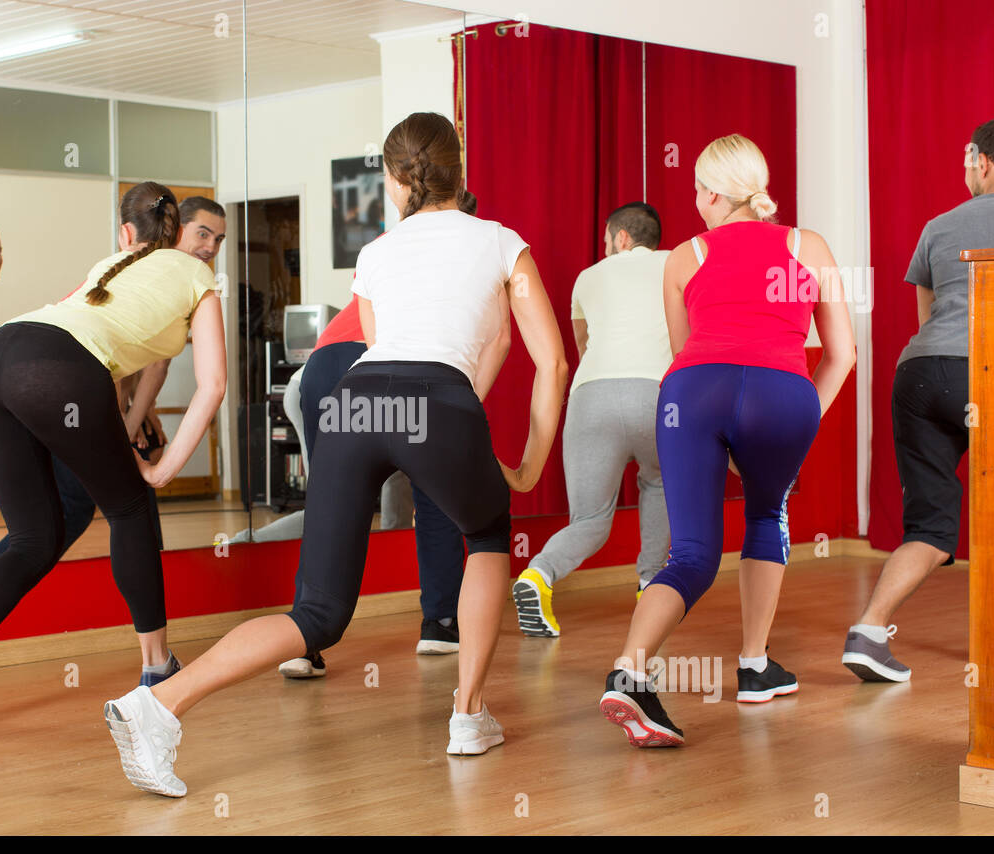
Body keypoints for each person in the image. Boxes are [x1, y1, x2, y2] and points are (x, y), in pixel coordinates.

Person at [102, 112, 567, 797]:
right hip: (437, 399)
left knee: (318, 614)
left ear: (394, 181)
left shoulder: (378, 253)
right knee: (489, 534)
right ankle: (467, 716)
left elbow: (379, 348)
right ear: (458, 171)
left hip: (354, 401)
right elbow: (552, 362)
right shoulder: (503, 244)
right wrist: (523, 466)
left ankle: (161, 703)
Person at [0, 183, 225, 732]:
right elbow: (213, 384)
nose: (210, 248)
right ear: (175, 235)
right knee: (129, 507)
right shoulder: (198, 276)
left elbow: (86, 338)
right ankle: (156, 672)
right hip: (58, 369)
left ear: (126, 233)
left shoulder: (109, 265)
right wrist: (162, 468)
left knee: (34, 536)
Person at [598, 134, 855, 746]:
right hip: (782, 392)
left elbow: (686, 353)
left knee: (691, 554)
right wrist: (800, 420)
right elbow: (842, 354)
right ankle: (755, 665)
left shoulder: (683, 257)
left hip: (692, 394)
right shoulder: (807, 244)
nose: (696, 203)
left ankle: (629, 671)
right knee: (768, 511)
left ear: (714, 193)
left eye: (697, 191)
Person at [271, 189, 509, 678]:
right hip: (390, 371)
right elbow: (497, 340)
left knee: (330, 512)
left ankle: (305, 640)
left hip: (326, 371)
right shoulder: (471, 250)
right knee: (438, 500)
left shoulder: (393, 242)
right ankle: (440, 623)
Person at [0, 195, 227, 573]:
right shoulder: (183, 275)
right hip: (65, 390)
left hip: (25, 375)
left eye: (219, 239)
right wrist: (125, 426)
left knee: (86, 508)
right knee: (89, 505)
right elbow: (141, 366)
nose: (211, 246)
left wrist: (143, 413)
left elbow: (123, 354)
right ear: (175, 230)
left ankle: (151, 570)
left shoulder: (132, 267)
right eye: (203, 234)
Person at [842, 119, 994, 682]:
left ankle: (870, 630)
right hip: (986, 370)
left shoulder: (938, 225)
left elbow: (926, 320)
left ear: (981, 159)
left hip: (919, 373)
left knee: (930, 526)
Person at [512, 202, 672, 636]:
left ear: (621, 239)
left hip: (591, 394)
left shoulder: (588, 277)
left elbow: (584, 346)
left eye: (606, 240)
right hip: (658, 394)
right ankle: (650, 585)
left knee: (589, 519)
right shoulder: (678, 264)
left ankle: (538, 574)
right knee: (659, 483)